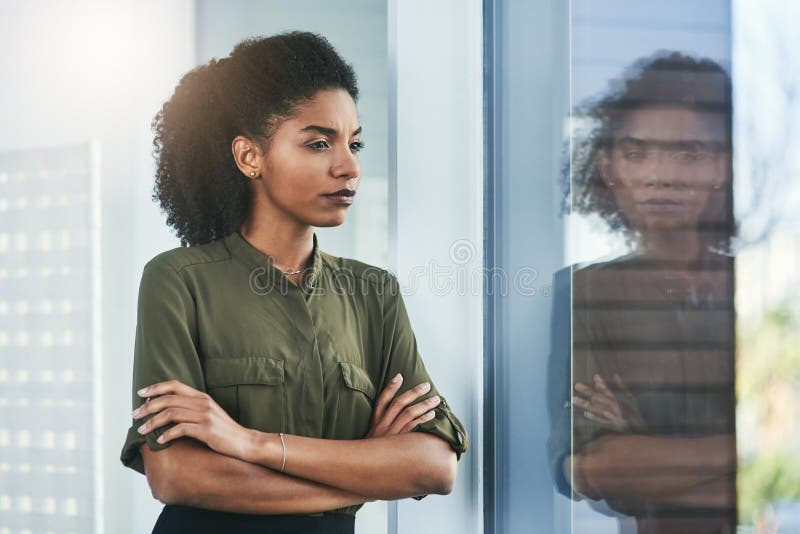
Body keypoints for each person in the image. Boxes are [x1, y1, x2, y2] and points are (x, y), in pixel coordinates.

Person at [118, 31, 468, 534]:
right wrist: (369, 469)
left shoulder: (375, 294)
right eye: (319, 143)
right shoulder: (177, 280)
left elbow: (434, 466)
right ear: (249, 157)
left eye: (355, 143)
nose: (349, 166)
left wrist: (248, 442)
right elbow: (175, 475)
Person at [547, 51, 737, 533]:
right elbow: (594, 469)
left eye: (689, 153)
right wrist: (743, 452)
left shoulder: (766, 287)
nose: (662, 175)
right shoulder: (586, 292)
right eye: (637, 153)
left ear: (721, 167)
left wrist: (653, 458)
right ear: (608, 167)